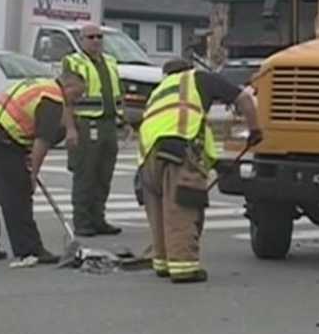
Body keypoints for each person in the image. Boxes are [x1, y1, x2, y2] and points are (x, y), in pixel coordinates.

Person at [139, 58, 260, 284]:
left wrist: (215, 163)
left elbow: (196, 131)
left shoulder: (160, 92)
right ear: (189, 69)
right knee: (183, 210)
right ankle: (184, 267)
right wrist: (254, 130)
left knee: (159, 213)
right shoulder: (197, 78)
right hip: (177, 155)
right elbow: (244, 98)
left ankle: (163, 262)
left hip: (148, 160)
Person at [0, 71, 86, 263]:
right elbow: (42, 140)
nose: (77, 100)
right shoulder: (53, 99)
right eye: (77, 94)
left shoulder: (40, 85)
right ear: (68, 87)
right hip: (1, 139)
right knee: (18, 194)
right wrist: (32, 174)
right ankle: (29, 249)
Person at [62, 23, 124, 237]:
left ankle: (98, 219)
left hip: (108, 124)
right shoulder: (72, 62)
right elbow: (65, 98)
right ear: (81, 40)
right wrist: (70, 128)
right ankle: (82, 221)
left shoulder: (111, 61)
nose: (96, 40)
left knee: (104, 175)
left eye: (99, 36)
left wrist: (124, 121)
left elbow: (118, 93)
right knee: (85, 174)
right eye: (90, 37)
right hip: (86, 123)